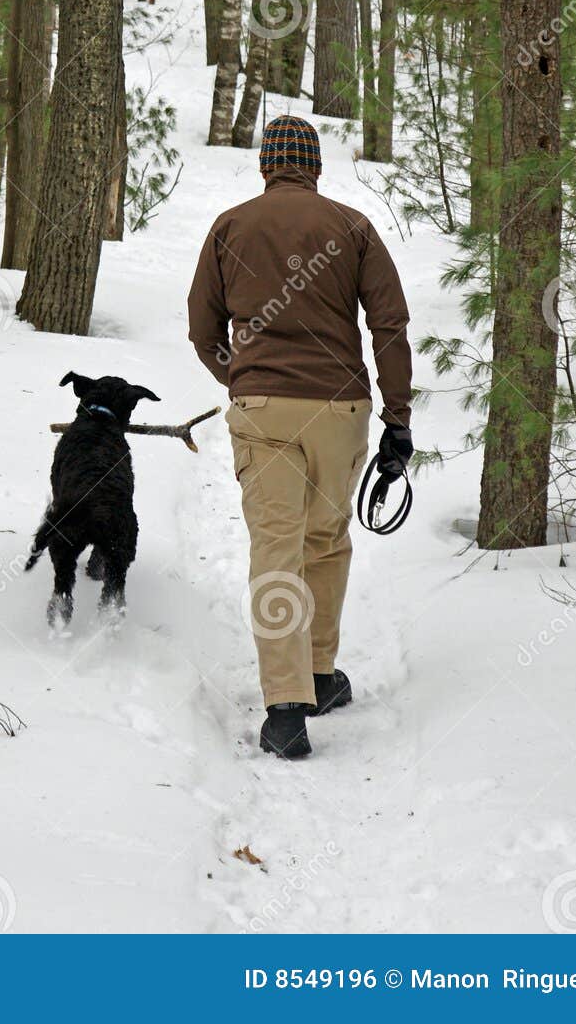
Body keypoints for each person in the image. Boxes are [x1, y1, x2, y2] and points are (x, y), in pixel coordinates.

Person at [187, 115, 413, 760]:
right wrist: (397, 420)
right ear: (314, 166)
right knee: (326, 539)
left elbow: (203, 330)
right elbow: (389, 326)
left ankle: (286, 709)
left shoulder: (230, 226)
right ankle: (318, 673)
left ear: (266, 165)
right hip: (340, 409)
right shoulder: (353, 225)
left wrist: (244, 379)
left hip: (263, 410)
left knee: (275, 550)